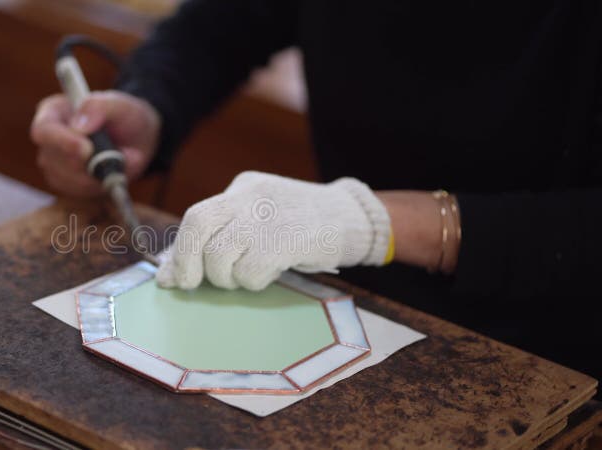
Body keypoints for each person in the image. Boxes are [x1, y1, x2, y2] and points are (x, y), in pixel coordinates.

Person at [31, 1, 602, 381]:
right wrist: (150, 107)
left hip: (556, 351)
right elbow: (215, 30)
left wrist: (376, 222)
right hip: (358, 303)